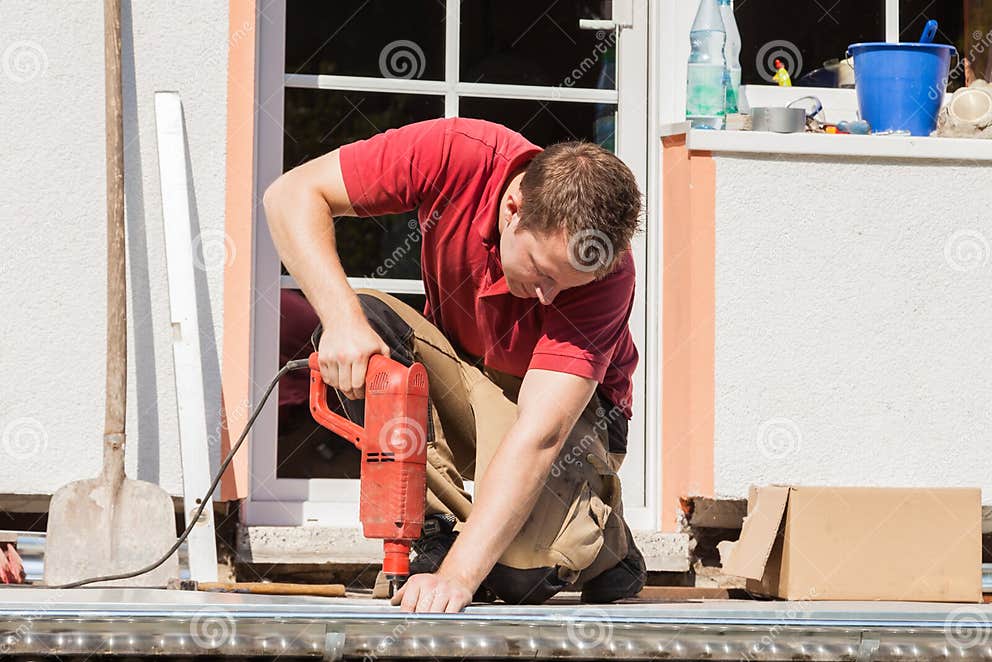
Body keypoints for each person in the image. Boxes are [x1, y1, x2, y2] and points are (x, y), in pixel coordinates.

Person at [263, 117, 644, 613]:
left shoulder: (605, 274)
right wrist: (341, 321)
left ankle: (604, 537)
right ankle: (436, 533)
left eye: (566, 286)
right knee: (367, 322)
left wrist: (460, 579)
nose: (550, 297)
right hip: (468, 376)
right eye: (545, 273)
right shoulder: (458, 153)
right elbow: (289, 195)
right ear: (514, 210)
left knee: (516, 578)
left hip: (568, 413)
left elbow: (541, 435)